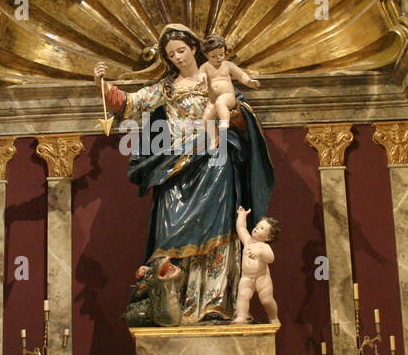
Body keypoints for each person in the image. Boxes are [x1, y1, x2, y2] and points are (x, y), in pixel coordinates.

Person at [94, 24, 274, 325]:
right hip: (176, 165)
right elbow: (130, 104)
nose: (177, 57)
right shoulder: (166, 88)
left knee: (218, 226)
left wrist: (233, 115)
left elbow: (239, 112)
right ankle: (176, 304)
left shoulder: (215, 75)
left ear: (193, 48)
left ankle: (215, 304)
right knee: (171, 228)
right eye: (170, 54)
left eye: (181, 50)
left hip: (216, 160)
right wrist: (100, 83)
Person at [199, 35, 260, 149]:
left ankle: (224, 122)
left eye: (221, 54)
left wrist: (249, 81)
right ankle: (214, 137)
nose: (218, 58)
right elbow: (201, 75)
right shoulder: (205, 67)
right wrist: (202, 79)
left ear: (225, 52)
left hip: (228, 97)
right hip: (212, 100)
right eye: (213, 56)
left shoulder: (227, 65)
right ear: (207, 55)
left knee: (220, 103)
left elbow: (240, 75)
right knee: (206, 119)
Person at [233, 206, 279, 324]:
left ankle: (273, 317)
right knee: (243, 296)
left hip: (262, 277)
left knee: (266, 300)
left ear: (268, 237)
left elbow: (271, 258)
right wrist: (242, 216)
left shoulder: (264, 246)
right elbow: (241, 228)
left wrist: (260, 253)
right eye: (257, 226)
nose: (257, 228)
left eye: (262, 228)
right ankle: (241, 316)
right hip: (247, 277)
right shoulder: (247, 240)